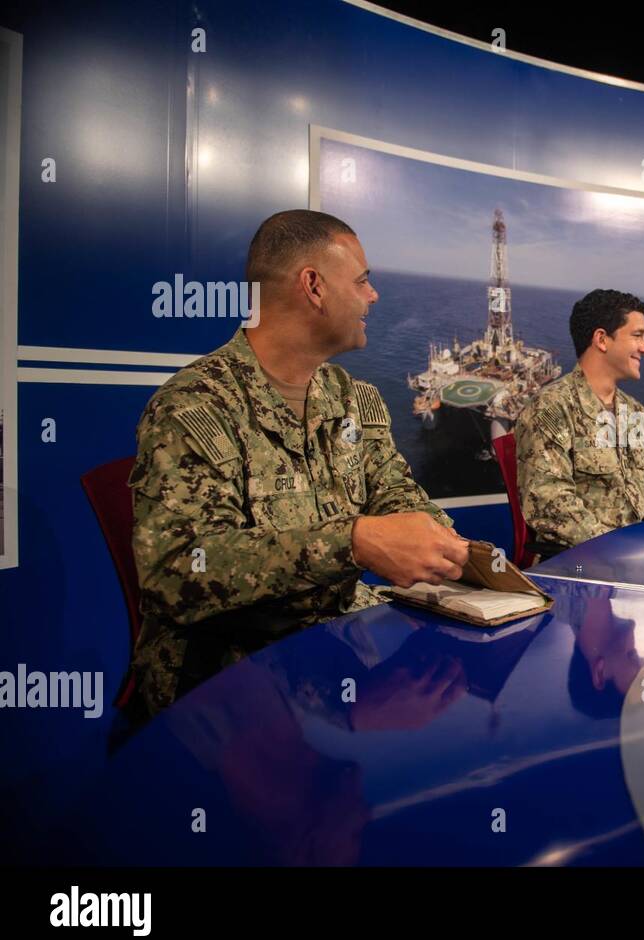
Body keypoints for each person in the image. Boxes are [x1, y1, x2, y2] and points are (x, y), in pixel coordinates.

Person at [128, 209, 470, 717]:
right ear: (313, 286)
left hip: (338, 654)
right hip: (229, 696)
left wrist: (447, 547)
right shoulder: (195, 406)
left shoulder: (354, 399)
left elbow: (396, 494)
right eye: (361, 281)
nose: (373, 296)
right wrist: (355, 541)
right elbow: (177, 570)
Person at [514, 289, 644, 557]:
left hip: (636, 563)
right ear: (602, 339)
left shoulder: (636, 412)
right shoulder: (552, 407)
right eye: (637, 336)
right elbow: (550, 503)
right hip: (581, 568)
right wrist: (625, 550)